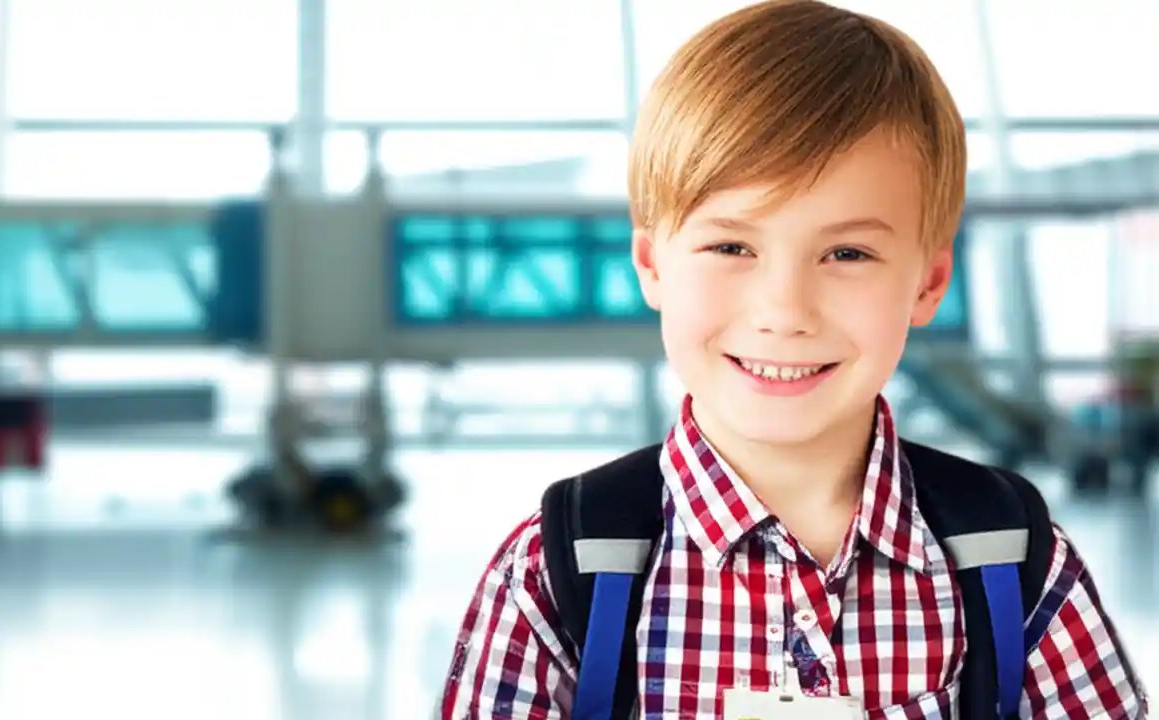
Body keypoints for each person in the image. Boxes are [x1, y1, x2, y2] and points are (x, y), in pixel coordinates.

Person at [436, 1, 1148, 717]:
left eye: (847, 253)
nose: (784, 310)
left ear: (928, 283)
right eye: (731, 247)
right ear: (653, 265)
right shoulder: (555, 577)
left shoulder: (1012, 561)